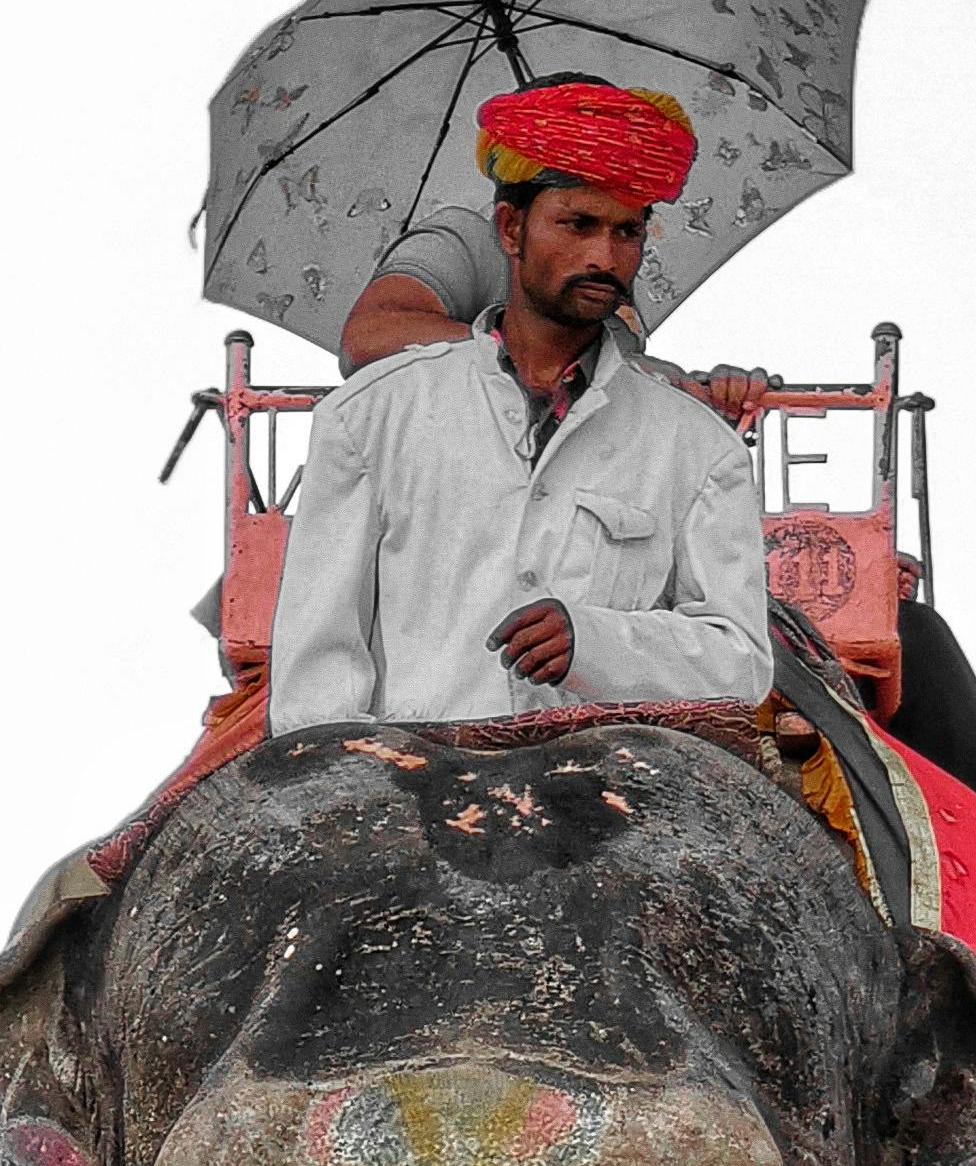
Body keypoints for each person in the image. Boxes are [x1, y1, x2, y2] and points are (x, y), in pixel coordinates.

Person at [336, 204, 976, 1060]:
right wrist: (572, 364)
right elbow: (371, 334)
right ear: (516, 210)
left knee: (900, 642)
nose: (613, 235)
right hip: (499, 596)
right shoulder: (468, 244)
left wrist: (691, 402)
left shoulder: (599, 281)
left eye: (627, 219)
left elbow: (624, 443)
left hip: (616, 581)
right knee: (820, 692)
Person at [268, 80, 772, 732]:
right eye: (578, 225)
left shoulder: (699, 449)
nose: (604, 256)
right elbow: (316, 686)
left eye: (627, 231)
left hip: (614, 784)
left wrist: (596, 644)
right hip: (414, 784)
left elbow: (741, 665)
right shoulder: (369, 418)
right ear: (510, 228)